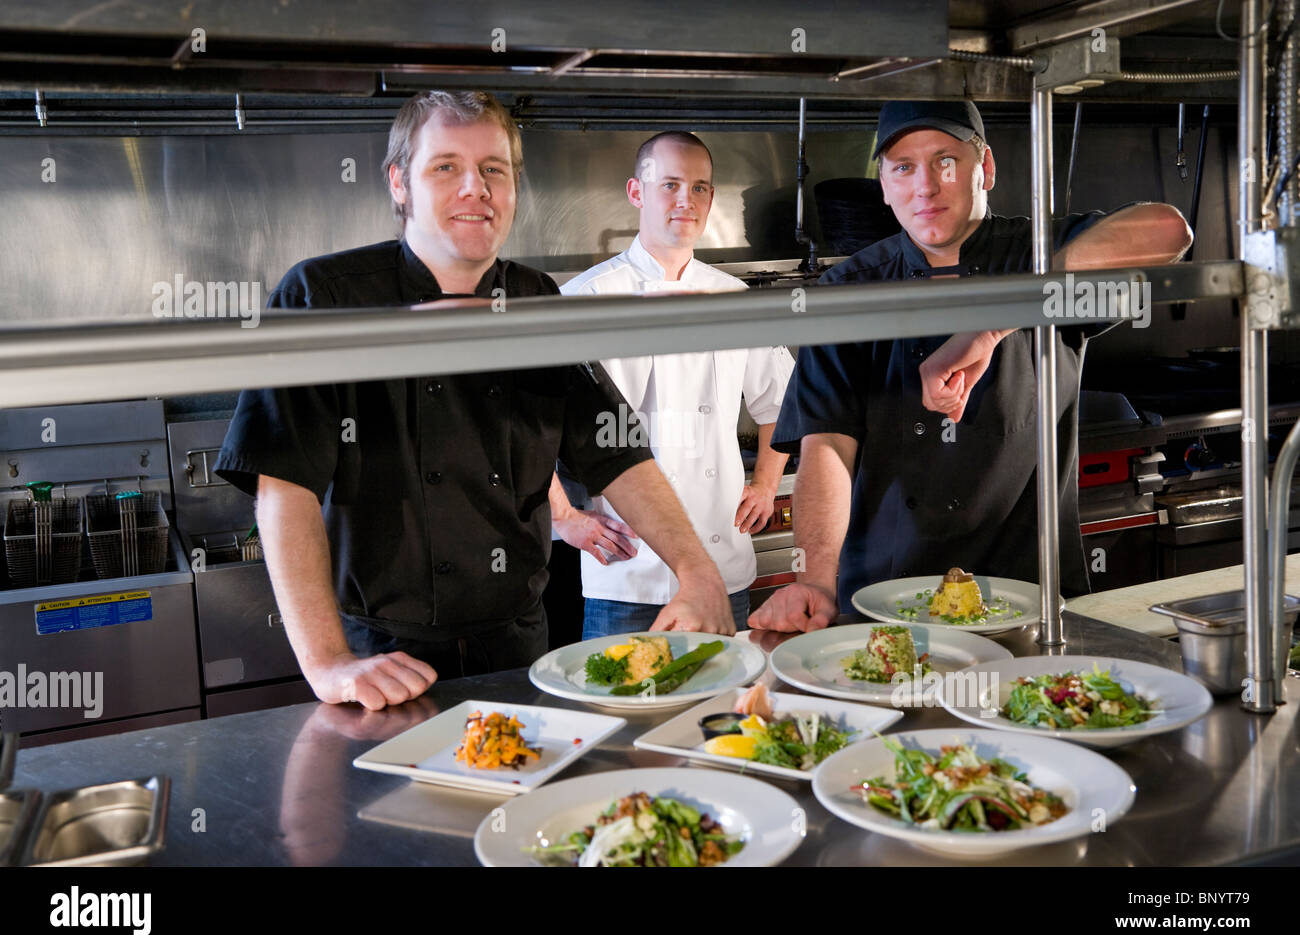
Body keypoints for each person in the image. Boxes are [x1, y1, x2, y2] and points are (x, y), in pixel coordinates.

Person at [215, 91, 735, 710]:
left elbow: (616, 451)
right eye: (445, 167)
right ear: (398, 183)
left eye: (494, 170)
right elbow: (285, 485)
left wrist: (697, 570)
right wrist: (328, 662)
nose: (475, 188)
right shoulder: (325, 297)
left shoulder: (538, 302)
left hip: (519, 648)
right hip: (383, 655)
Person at [750, 99, 1193, 633]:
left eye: (945, 161)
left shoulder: (1039, 252)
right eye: (903, 168)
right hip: (886, 602)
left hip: (1027, 600)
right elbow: (828, 449)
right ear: (885, 186)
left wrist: (989, 326)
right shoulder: (849, 293)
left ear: (985, 167)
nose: (925, 187)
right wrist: (816, 579)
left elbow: (1169, 232)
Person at [551, 131, 794, 637]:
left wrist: (767, 484)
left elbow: (783, 404)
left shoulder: (735, 298)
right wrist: (564, 517)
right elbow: (526, 426)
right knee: (622, 708)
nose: (687, 200)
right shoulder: (584, 300)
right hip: (626, 572)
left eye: (700, 187)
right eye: (670, 185)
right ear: (636, 193)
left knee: (724, 711)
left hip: (722, 562)